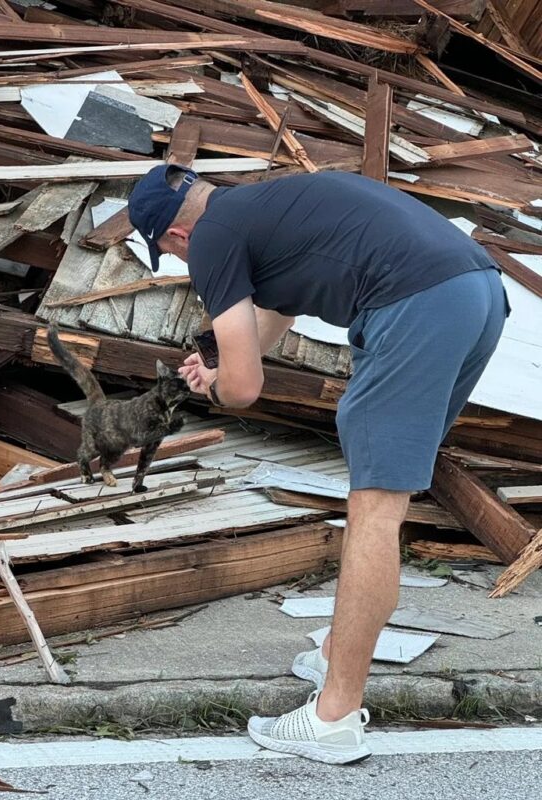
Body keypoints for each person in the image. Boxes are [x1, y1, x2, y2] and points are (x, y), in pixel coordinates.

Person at [128, 165, 509, 764]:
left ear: (176, 236)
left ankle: (333, 717)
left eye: (172, 253)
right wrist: (218, 359)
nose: (182, 260)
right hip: (476, 292)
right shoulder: (263, 207)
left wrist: (217, 387)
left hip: (414, 305)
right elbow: (274, 317)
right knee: (387, 498)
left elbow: (245, 388)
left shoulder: (210, 239)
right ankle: (337, 651)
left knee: (375, 511)